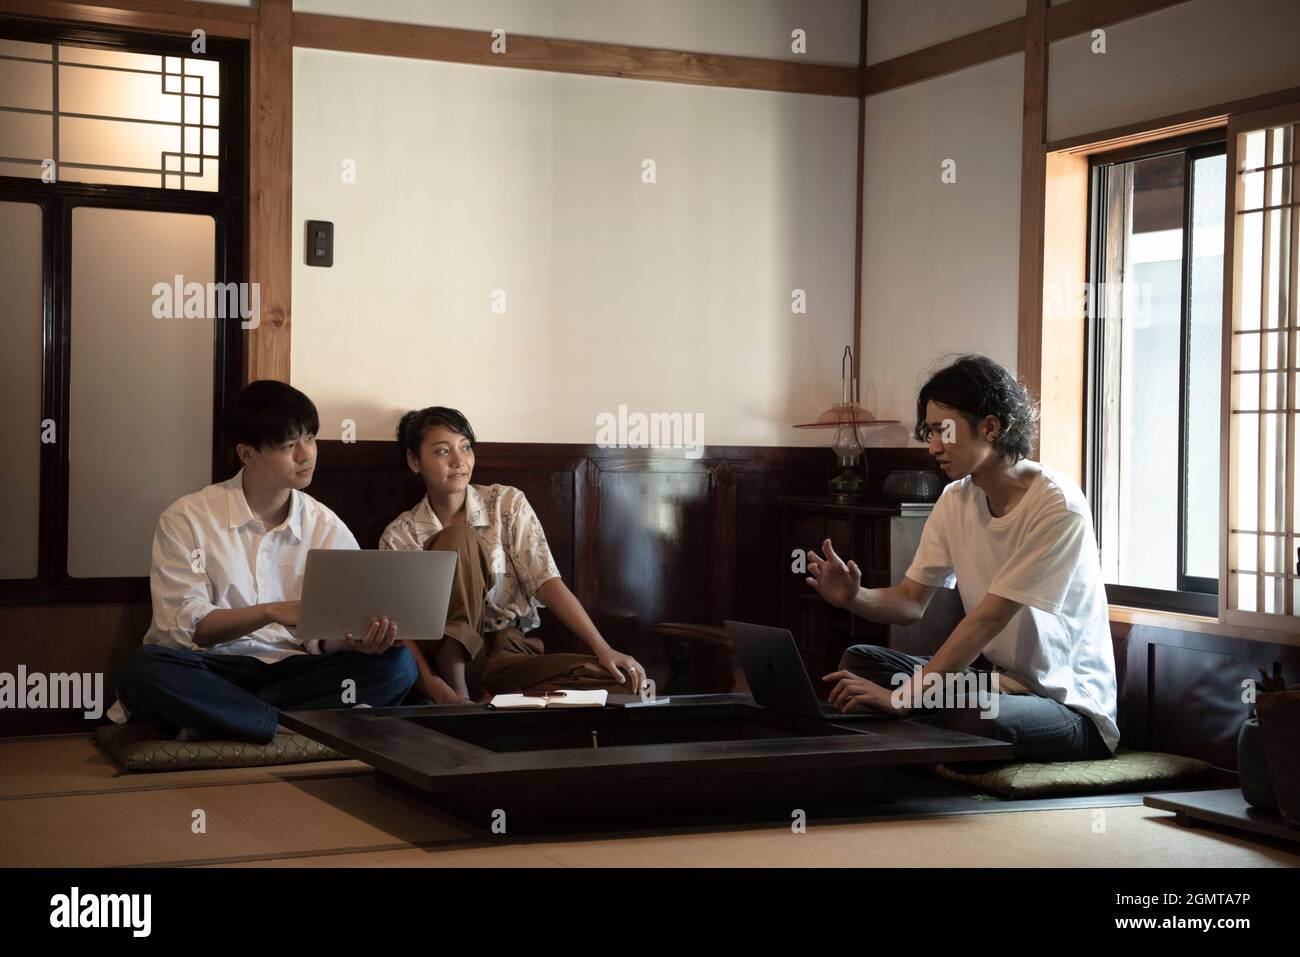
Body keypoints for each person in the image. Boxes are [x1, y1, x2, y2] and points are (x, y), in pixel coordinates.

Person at [806, 354, 1118, 762]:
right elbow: (909, 601)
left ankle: (912, 724)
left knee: (976, 715)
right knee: (861, 664)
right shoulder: (956, 498)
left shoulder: (1057, 507)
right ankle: (925, 728)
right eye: (930, 432)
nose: (933, 447)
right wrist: (855, 597)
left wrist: (905, 697)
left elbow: (988, 619)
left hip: (1065, 707)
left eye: (944, 431)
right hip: (995, 683)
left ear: (990, 427)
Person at [110, 381, 417, 743]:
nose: (306, 455)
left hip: (297, 671)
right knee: (143, 670)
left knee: (398, 667)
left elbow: (330, 633)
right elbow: (190, 629)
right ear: (246, 454)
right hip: (215, 668)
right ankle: (291, 725)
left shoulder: (326, 525)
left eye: (310, 438)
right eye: (289, 446)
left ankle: (229, 719)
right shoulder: (187, 518)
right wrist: (272, 611)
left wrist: (359, 641)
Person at [380, 406, 646, 704]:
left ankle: (503, 702)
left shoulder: (505, 502)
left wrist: (603, 648)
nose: (459, 461)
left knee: (622, 684)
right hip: (447, 663)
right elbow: (404, 634)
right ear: (414, 461)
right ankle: (465, 700)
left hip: (511, 652)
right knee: (459, 540)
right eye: (443, 451)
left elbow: (546, 581)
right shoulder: (399, 535)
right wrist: (444, 695)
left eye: (465, 448)